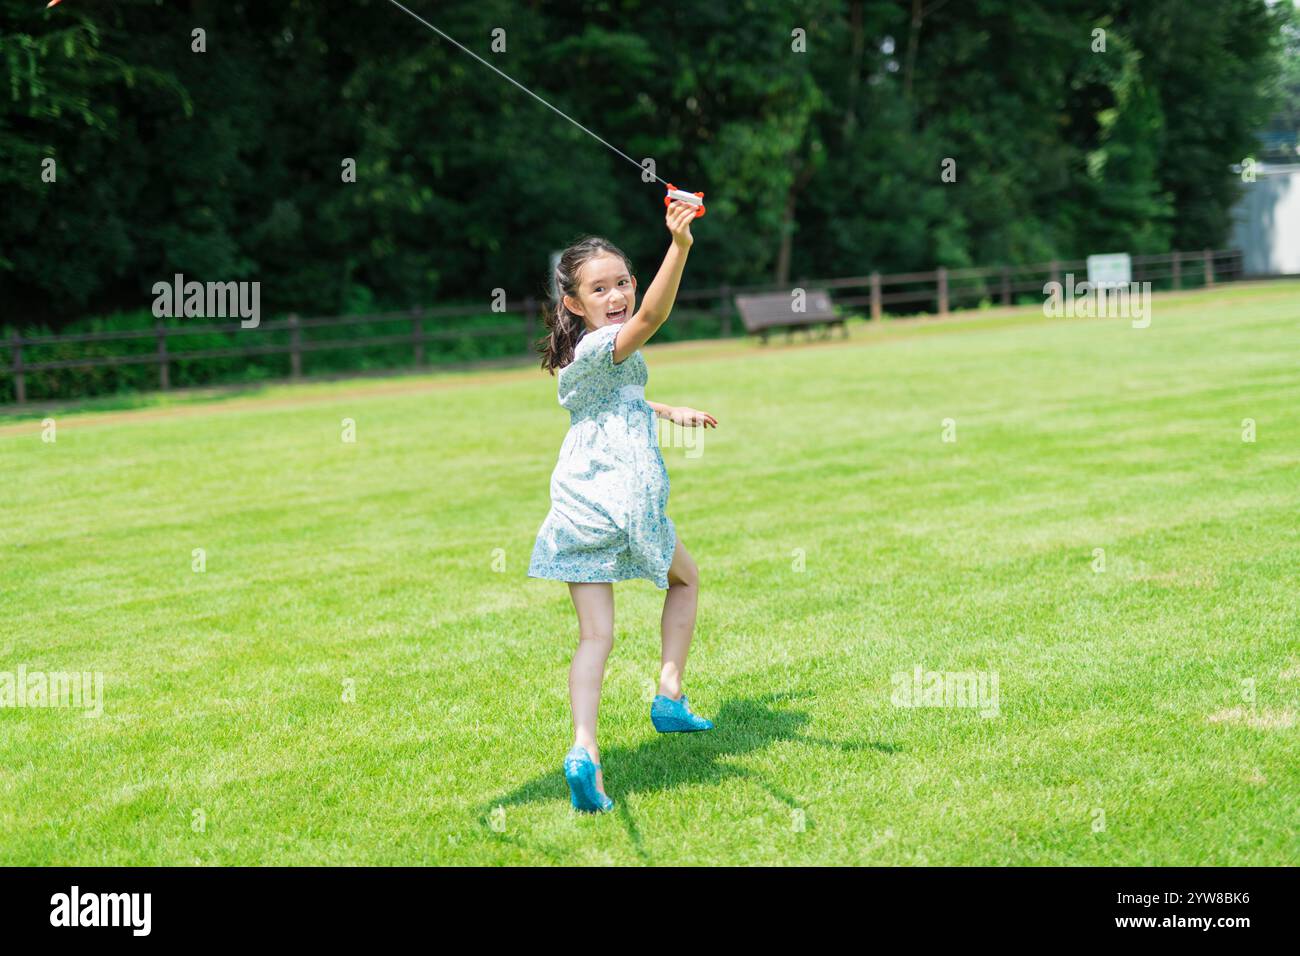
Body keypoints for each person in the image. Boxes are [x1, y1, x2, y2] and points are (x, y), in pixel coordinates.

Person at [529, 201, 719, 813]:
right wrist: (680, 245)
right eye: (598, 289)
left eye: (622, 283)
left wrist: (667, 410)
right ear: (574, 304)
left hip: (579, 506)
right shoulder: (606, 343)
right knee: (685, 582)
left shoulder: (577, 359)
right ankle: (668, 694)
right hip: (627, 499)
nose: (615, 295)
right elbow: (655, 316)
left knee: (595, 637)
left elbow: (616, 401)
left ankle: (585, 751)